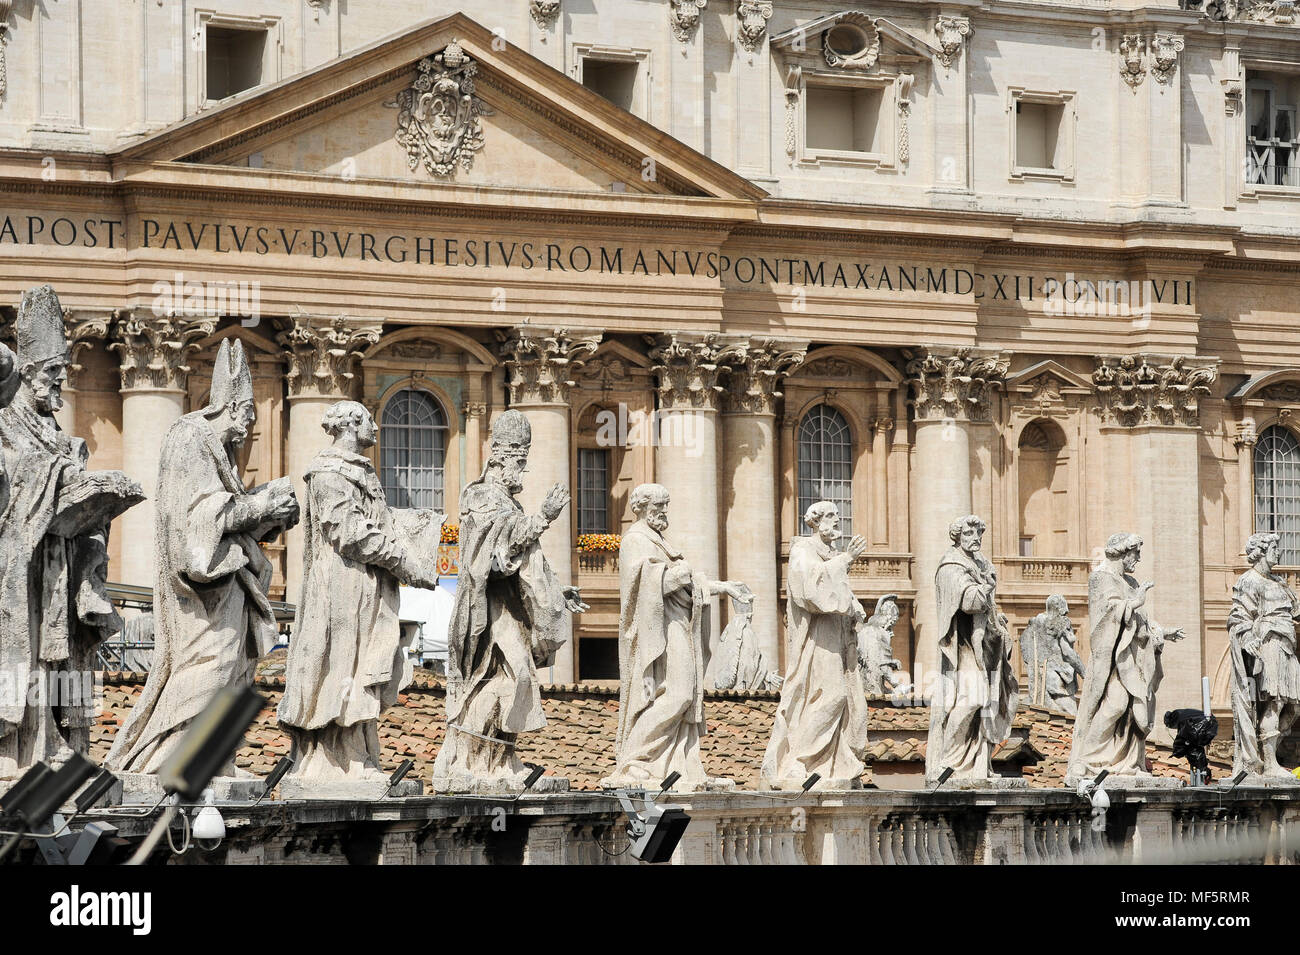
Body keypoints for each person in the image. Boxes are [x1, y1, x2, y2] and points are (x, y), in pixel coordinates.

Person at [106, 339, 299, 775]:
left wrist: (267, 515)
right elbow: (196, 515)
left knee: (231, 666)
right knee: (209, 664)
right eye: (249, 414)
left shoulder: (219, 449)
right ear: (231, 407)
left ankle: (211, 759)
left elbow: (222, 511)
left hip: (227, 581)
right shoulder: (190, 437)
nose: (250, 426)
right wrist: (262, 506)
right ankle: (167, 759)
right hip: (200, 589)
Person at [0, 286, 141, 779]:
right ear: (26, 372)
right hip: (16, 562)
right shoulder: (5, 422)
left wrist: (96, 504)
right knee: (22, 647)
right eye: (52, 372)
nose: (61, 379)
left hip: (53, 558)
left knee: (53, 654)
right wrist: (64, 480)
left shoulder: (53, 430)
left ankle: (46, 736)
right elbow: (13, 485)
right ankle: (14, 746)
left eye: (63, 370)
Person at [277, 400, 444, 786]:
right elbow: (350, 533)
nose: (377, 427)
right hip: (342, 588)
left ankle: (360, 750)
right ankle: (339, 756)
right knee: (345, 664)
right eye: (370, 419)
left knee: (363, 662)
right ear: (352, 424)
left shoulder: (357, 472)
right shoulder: (328, 472)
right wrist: (404, 559)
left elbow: (371, 526)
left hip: (366, 585)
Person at [431, 410, 586, 791]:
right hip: (487, 609)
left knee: (516, 679)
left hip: (508, 606)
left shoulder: (507, 502)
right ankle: (472, 758)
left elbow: (522, 557)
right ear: (500, 459)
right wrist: (545, 516)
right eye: (520, 461)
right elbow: (498, 551)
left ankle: (499, 756)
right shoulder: (481, 495)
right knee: (509, 677)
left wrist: (556, 590)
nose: (524, 469)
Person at [604, 483, 749, 789]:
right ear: (642, 508)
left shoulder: (659, 542)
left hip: (678, 625)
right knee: (678, 694)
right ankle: (635, 760)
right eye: (659, 506)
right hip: (658, 630)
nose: (664, 512)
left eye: (666, 505)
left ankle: (677, 765)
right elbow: (637, 587)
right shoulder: (635, 540)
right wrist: (677, 575)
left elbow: (685, 583)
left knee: (685, 693)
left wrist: (722, 586)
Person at [762, 501, 870, 789]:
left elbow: (840, 591)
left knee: (844, 698)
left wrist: (855, 607)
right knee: (832, 695)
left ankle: (828, 762)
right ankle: (800, 759)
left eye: (837, 516)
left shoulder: (829, 553)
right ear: (816, 520)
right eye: (832, 517)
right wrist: (847, 559)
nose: (837, 521)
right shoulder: (803, 550)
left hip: (835, 637)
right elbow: (810, 590)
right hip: (815, 640)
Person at [1067, 532, 1184, 780]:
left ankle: (1127, 762)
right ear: (1123, 552)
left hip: (1132, 657)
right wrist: (1133, 603)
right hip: (1112, 658)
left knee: (1131, 710)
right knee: (1116, 703)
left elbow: (1141, 623)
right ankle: (1087, 759)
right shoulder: (1100, 579)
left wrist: (1162, 632)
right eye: (1136, 553)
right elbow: (1104, 617)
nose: (1139, 559)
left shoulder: (1130, 583)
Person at [925, 515, 1018, 785]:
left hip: (984, 644)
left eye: (979, 533)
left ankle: (978, 765)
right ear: (957, 536)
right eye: (969, 533)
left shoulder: (982, 564)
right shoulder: (950, 565)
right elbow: (967, 601)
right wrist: (985, 588)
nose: (975, 538)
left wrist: (996, 620)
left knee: (986, 702)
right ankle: (950, 759)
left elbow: (989, 605)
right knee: (973, 697)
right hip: (961, 647)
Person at [1227, 531, 1300, 779]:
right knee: (1275, 702)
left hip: (1287, 644)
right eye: (1274, 548)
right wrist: (1247, 638)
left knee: (1293, 707)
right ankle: (1269, 763)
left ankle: (1269, 752)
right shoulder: (1249, 581)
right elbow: (1238, 615)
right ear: (1261, 551)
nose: (1279, 553)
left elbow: (1296, 610)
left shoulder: (1279, 582)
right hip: (1269, 645)